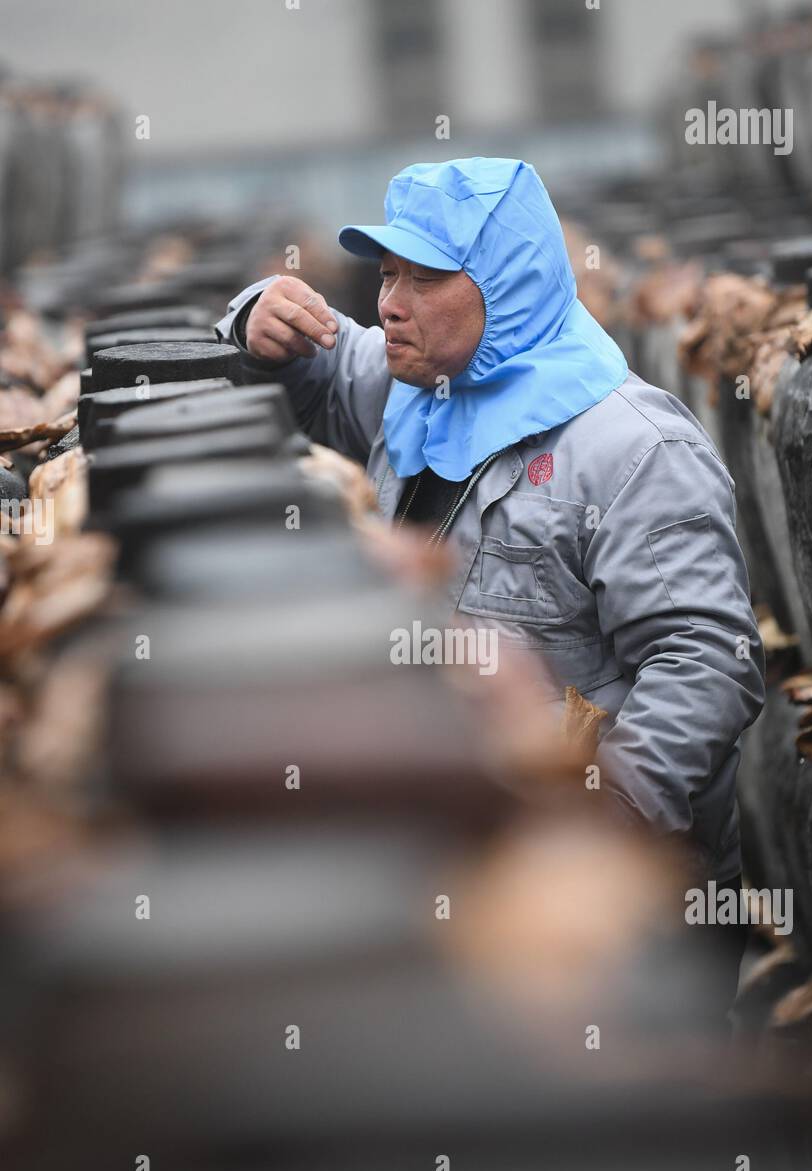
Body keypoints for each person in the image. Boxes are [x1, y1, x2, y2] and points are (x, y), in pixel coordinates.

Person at [217, 157, 766, 1015]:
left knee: (613, 1128)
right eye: (386, 273)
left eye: (423, 278)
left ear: (501, 286)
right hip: (460, 852)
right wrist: (256, 316)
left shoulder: (630, 449)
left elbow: (705, 661)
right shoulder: (421, 384)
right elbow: (317, 371)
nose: (387, 303)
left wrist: (600, 818)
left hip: (621, 897)